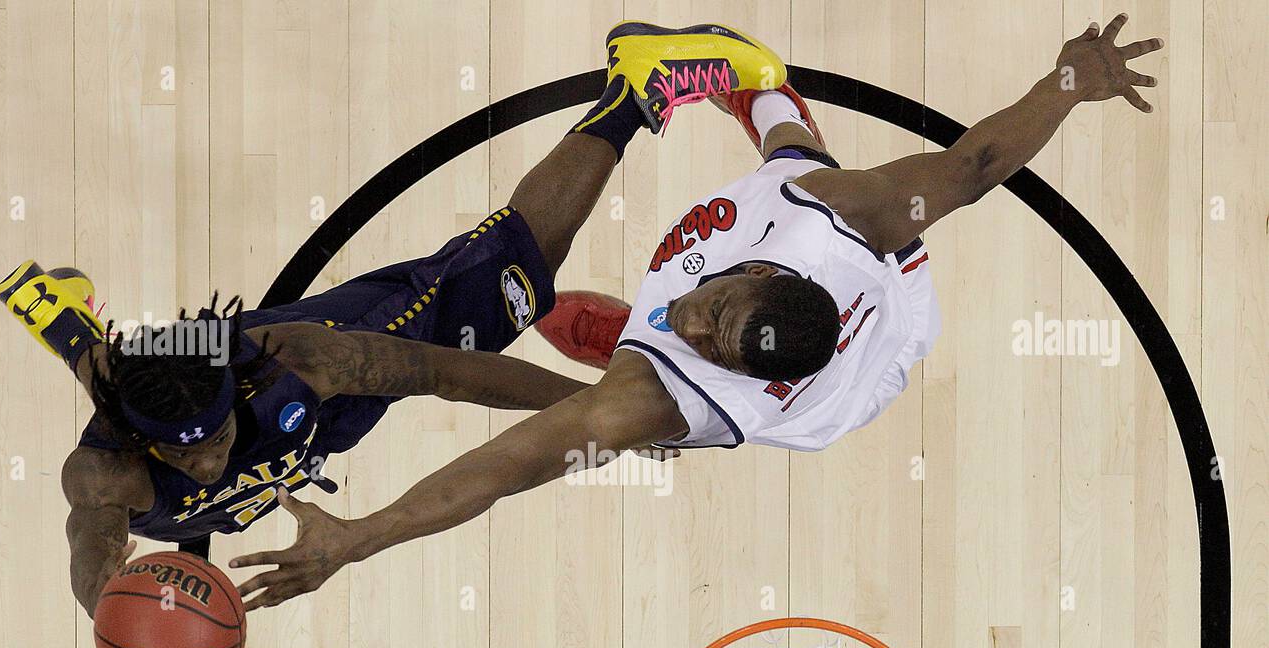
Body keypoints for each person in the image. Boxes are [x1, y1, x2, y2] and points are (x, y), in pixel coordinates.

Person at [231, 14, 1163, 610]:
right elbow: (972, 168)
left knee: (599, 415)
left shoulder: (683, 392)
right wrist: (1073, 81)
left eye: (714, 340)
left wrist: (361, 539)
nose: (698, 323)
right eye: (715, 309)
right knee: (793, 150)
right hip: (838, 246)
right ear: (758, 273)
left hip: (870, 357)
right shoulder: (848, 214)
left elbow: (503, 469)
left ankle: (610, 342)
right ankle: (740, 84)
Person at [0, 21, 785, 616]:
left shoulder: (301, 358)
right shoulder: (108, 470)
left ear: (231, 390)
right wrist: (123, 620)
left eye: (214, 440)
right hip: (260, 426)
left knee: (516, 265)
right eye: (181, 449)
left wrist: (597, 416)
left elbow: (451, 375)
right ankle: (60, 312)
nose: (202, 466)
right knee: (114, 372)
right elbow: (93, 564)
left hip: (376, 335)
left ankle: (633, 90)